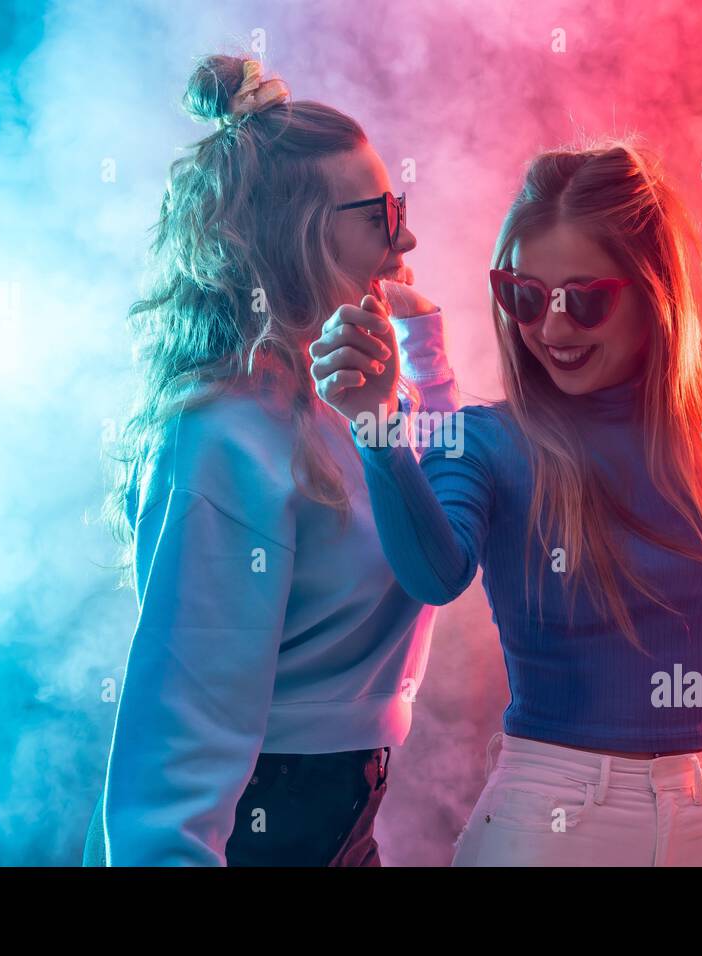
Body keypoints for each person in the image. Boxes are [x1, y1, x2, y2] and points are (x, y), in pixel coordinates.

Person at [312, 139, 702, 866]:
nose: (553, 330)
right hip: (553, 817)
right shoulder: (487, 442)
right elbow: (436, 574)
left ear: (656, 291)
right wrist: (377, 431)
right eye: (524, 297)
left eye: (586, 300)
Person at [85, 54, 459, 866]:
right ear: (301, 235)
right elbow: (180, 738)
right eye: (383, 211)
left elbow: (449, 519)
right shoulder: (217, 437)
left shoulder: (345, 391)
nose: (410, 233)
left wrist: (424, 341)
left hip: (343, 821)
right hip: (261, 826)